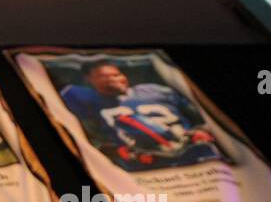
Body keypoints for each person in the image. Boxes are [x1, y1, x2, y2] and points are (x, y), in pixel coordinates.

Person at [59, 59, 223, 171]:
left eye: (117, 74)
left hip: (192, 150)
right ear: (89, 79)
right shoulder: (84, 98)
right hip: (146, 161)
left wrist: (200, 131)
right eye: (105, 76)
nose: (115, 80)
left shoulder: (155, 90)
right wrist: (115, 150)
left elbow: (197, 115)